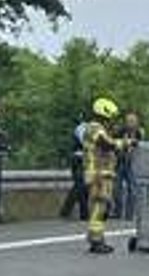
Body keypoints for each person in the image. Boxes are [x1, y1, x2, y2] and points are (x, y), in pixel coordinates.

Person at [85, 95, 124, 253]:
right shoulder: (95, 127)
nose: (111, 122)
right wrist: (123, 143)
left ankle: (97, 237)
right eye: (110, 118)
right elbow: (106, 143)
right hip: (99, 173)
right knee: (100, 206)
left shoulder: (97, 128)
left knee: (103, 206)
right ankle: (96, 240)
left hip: (102, 173)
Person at [114, 109, 144, 218]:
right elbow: (114, 144)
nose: (130, 123)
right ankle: (118, 212)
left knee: (132, 189)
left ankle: (129, 214)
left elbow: (140, 146)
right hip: (120, 162)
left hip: (132, 163)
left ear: (137, 122)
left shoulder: (139, 132)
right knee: (116, 189)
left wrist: (133, 144)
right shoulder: (120, 131)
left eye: (133, 121)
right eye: (128, 121)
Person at [60, 116, 90, 220]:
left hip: (82, 159)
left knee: (79, 186)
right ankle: (83, 213)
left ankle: (66, 211)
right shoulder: (82, 128)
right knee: (81, 186)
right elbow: (85, 142)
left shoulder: (85, 128)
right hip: (79, 159)